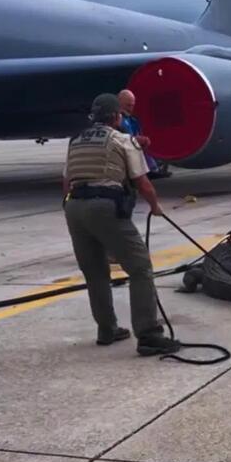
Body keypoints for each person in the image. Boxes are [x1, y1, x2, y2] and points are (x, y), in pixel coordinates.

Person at [63, 93, 180, 356]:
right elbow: (142, 182)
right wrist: (155, 207)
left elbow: (67, 180)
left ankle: (107, 329)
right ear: (117, 117)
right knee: (140, 268)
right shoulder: (122, 140)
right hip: (104, 206)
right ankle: (149, 334)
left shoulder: (76, 141)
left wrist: (70, 206)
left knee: (95, 273)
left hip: (74, 207)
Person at [117, 90, 173, 180]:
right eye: (128, 105)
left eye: (132, 106)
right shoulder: (117, 120)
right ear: (119, 103)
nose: (130, 108)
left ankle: (152, 167)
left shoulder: (133, 120)